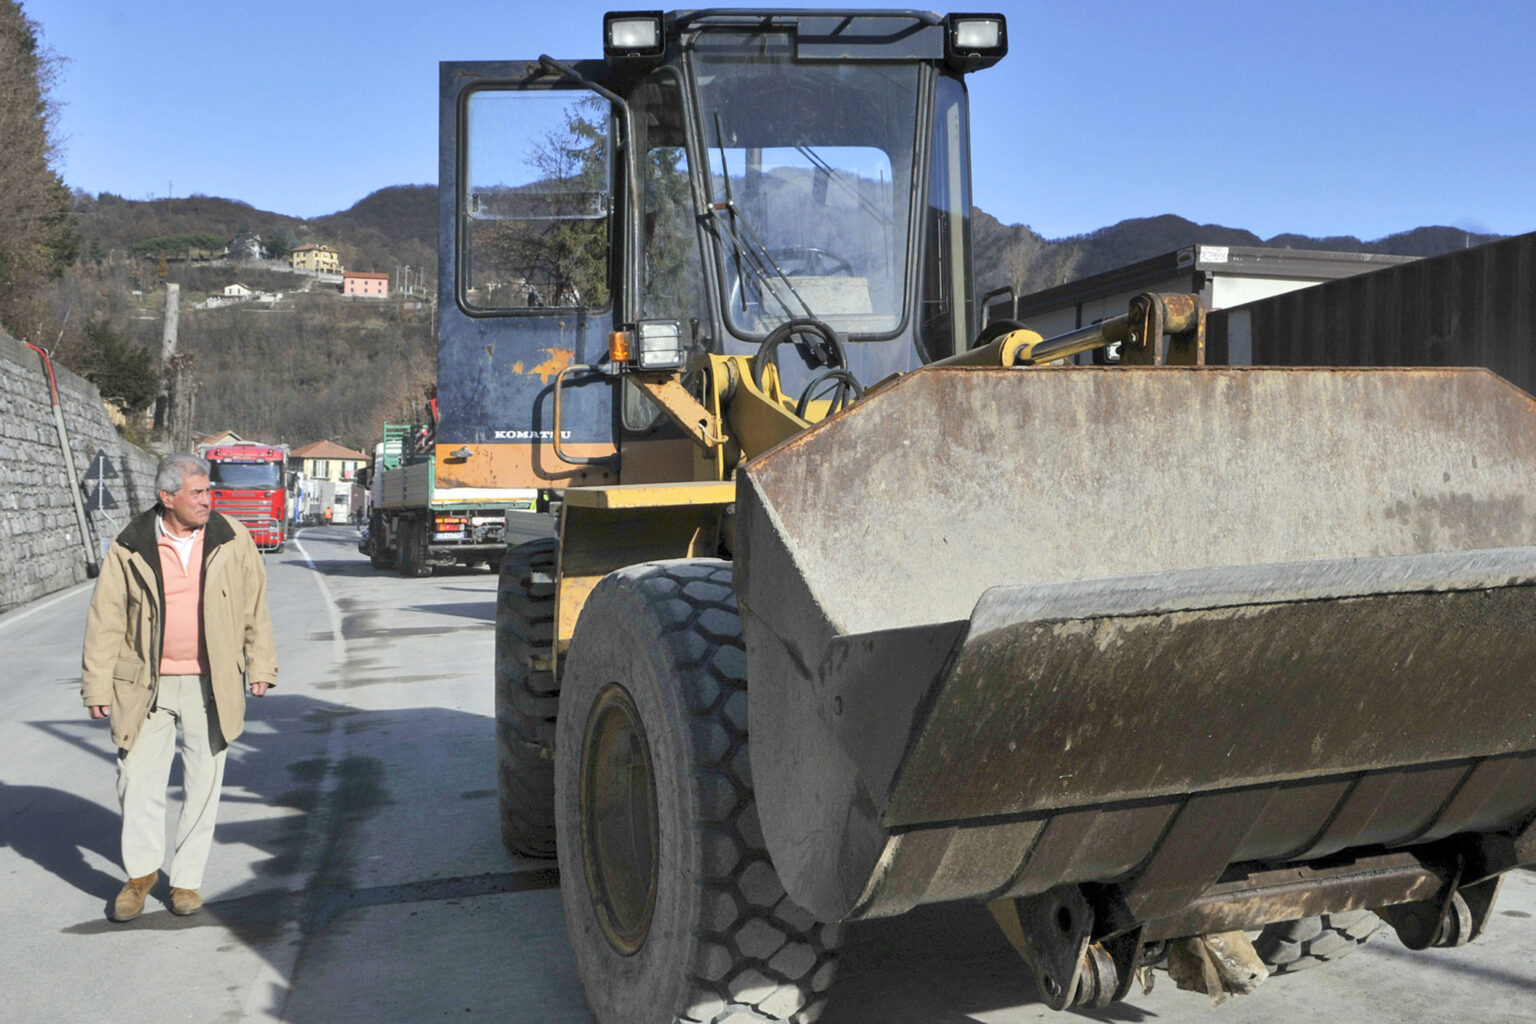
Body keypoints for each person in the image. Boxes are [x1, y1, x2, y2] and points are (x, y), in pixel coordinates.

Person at [81, 452, 278, 922]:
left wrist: (261, 665)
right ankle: (141, 875)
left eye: (208, 491)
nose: (208, 499)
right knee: (136, 781)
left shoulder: (233, 539)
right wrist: (97, 686)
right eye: (197, 492)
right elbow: (105, 619)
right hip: (144, 684)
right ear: (167, 497)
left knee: (203, 783)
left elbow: (255, 605)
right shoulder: (129, 545)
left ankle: (186, 880)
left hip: (213, 680)